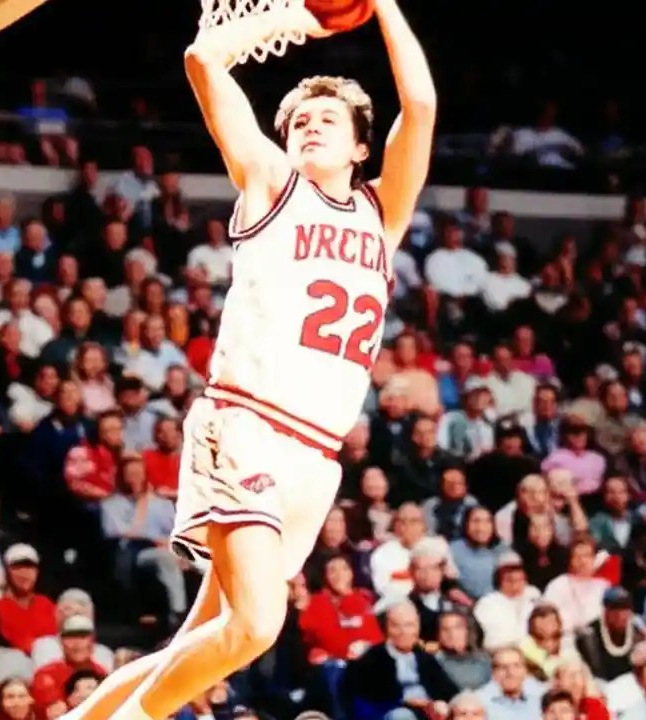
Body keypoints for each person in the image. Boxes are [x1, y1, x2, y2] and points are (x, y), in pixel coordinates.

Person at [73, 3, 437, 720]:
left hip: (315, 457)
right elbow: (203, 60)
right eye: (298, 120)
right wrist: (296, 17)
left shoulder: (382, 215)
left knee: (203, 638)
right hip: (248, 426)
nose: (309, 125)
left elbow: (419, 104)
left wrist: (384, 6)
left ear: (361, 147)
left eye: (327, 119)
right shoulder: (273, 181)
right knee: (255, 626)